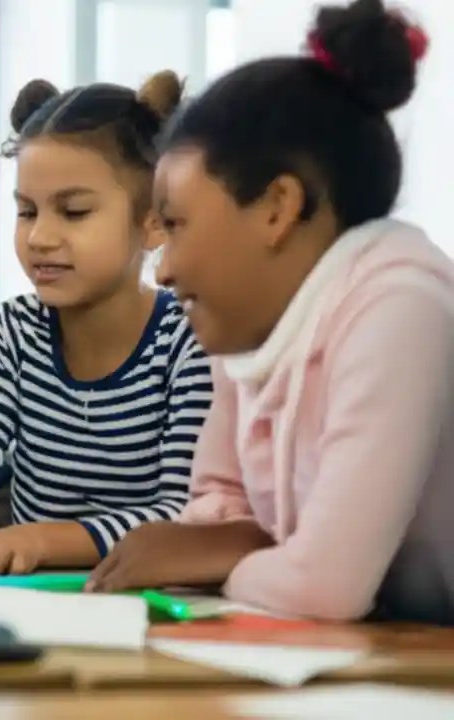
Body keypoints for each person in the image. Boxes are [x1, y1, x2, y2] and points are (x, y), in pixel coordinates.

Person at [87, 1, 454, 625]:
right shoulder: (253, 332)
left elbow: (322, 589)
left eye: (174, 225)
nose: (164, 267)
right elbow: (218, 505)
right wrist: (230, 544)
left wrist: (231, 555)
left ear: (277, 208)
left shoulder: (402, 307)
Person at [0, 71, 213, 580]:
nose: (41, 237)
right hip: (35, 602)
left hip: (152, 602)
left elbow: (180, 515)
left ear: (154, 222)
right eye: (27, 211)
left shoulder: (187, 341)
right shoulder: (11, 333)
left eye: (73, 212)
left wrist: (39, 539)